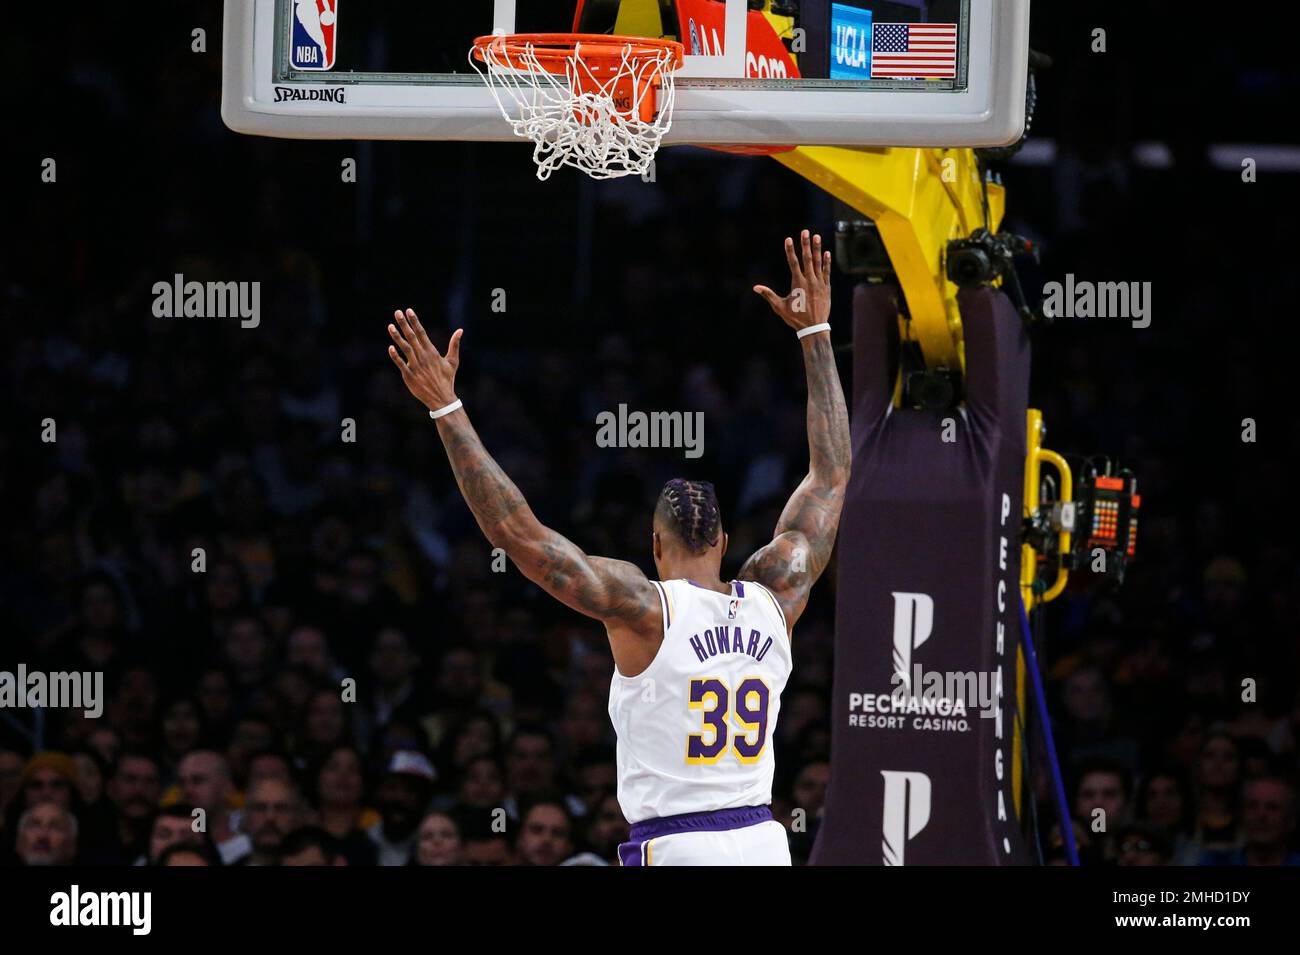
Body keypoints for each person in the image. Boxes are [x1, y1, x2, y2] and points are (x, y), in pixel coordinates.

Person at [387, 230, 849, 866]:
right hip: (764, 843)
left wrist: (446, 408)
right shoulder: (777, 596)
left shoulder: (643, 607)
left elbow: (518, 535)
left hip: (680, 844)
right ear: (724, 540)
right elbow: (830, 478)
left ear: (654, 545)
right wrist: (815, 333)